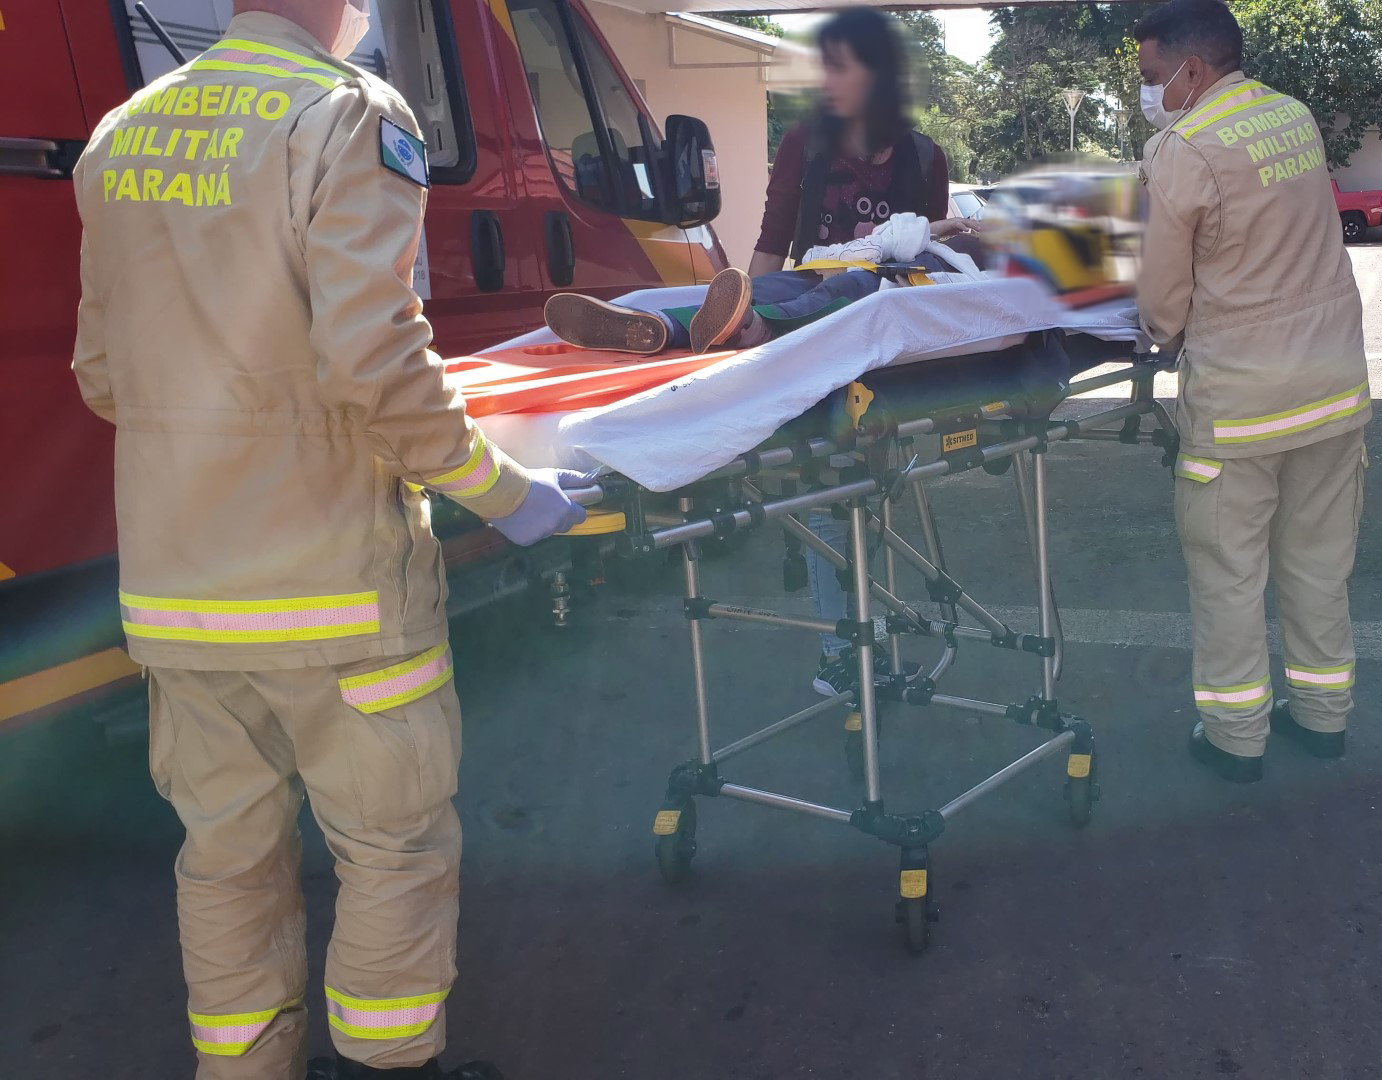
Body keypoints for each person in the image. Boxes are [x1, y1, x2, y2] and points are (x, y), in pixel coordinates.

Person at [70, 1, 588, 1076]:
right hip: (336, 596)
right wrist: (505, 495)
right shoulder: (342, 114)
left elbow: (100, 375)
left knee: (223, 860)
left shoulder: (121, 133)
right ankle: (389, 1064)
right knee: (393, 850)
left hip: (177, 595)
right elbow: (374, 361)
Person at [552, 7, 966, 699]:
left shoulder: (925, 159)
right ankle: (679, 326)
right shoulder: (807, 143)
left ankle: (870, 645)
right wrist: (739, 295)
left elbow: (922, 255)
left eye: (840, 65)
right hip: (806, 307)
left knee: (866, 490)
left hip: (870, 325)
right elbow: (774, 240)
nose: (825, 79)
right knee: (817, 487)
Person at [1133, 0, 1371, 784]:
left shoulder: (1184, 147)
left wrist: (1154, 337)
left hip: (1241, 406)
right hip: (1333, 390)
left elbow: (1165, 301)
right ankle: (1324, 719)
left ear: (1192, 68)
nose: (1150, 90)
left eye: (1152, 75)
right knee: (1317, 563)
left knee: (1230, 575)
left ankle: (1236, 739)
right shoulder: (1293, 117)